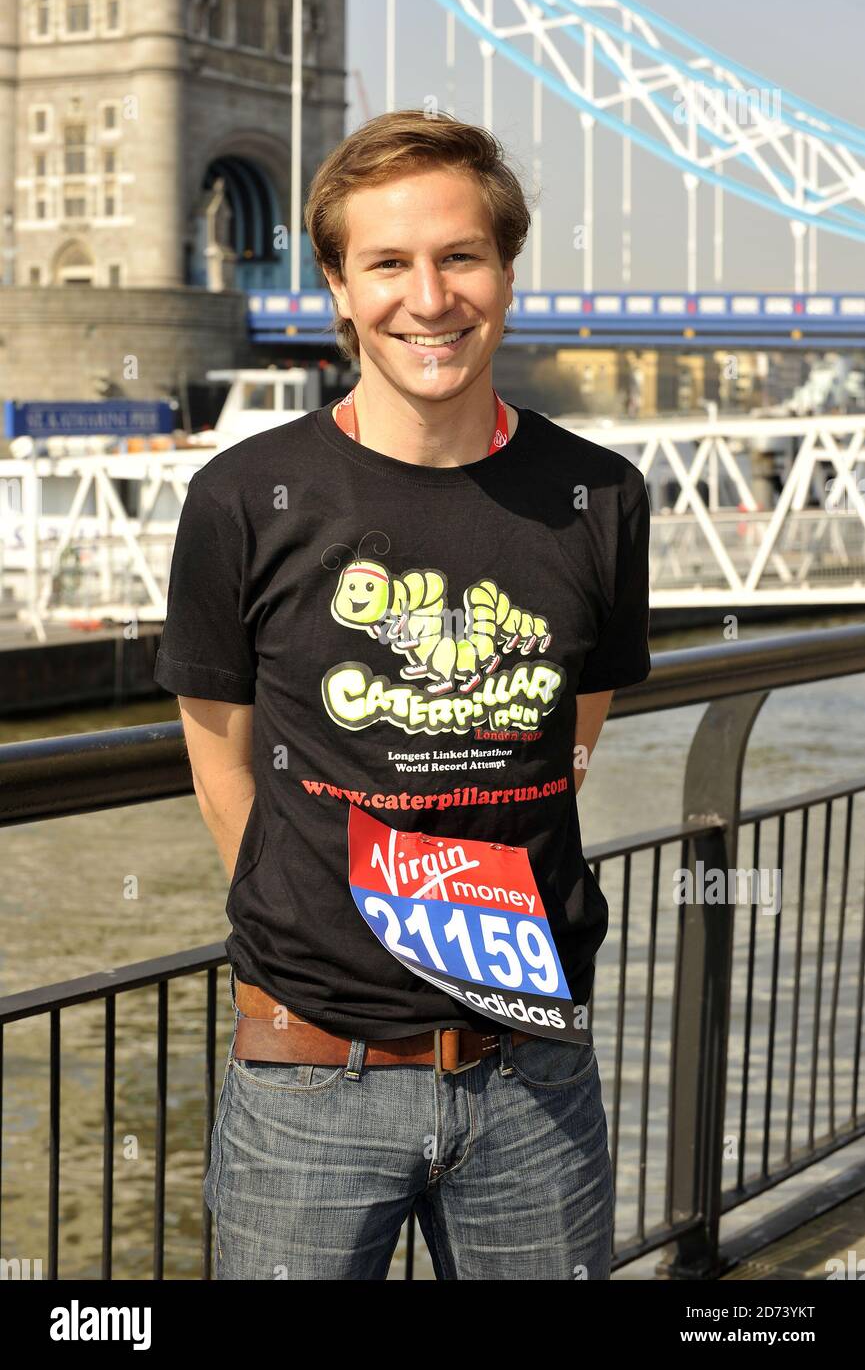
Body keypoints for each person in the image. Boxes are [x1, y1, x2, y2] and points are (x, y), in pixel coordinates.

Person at [153, 108, 652, 1280]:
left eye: (458, 256)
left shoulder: (601, 498)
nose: (427, 298)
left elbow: (560, 743)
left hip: (533, 1065)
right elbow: (218, 759)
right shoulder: (242, 500)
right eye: (386, 263)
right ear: (334, 284)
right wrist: (320, 926)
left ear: (505, 271)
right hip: (307, 1077)